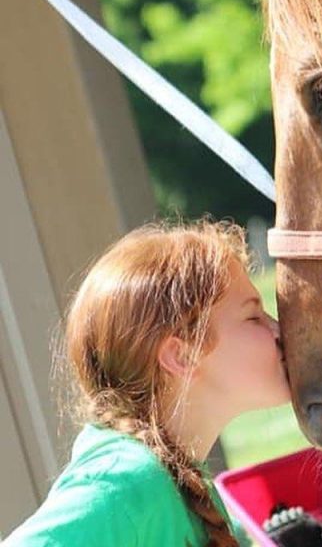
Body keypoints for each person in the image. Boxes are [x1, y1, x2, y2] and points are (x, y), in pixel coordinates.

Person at [5, 219, 291, 546]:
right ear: (182, 356)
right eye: (253, 316)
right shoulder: (128, 482)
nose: (279, 330)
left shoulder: (179, 488)